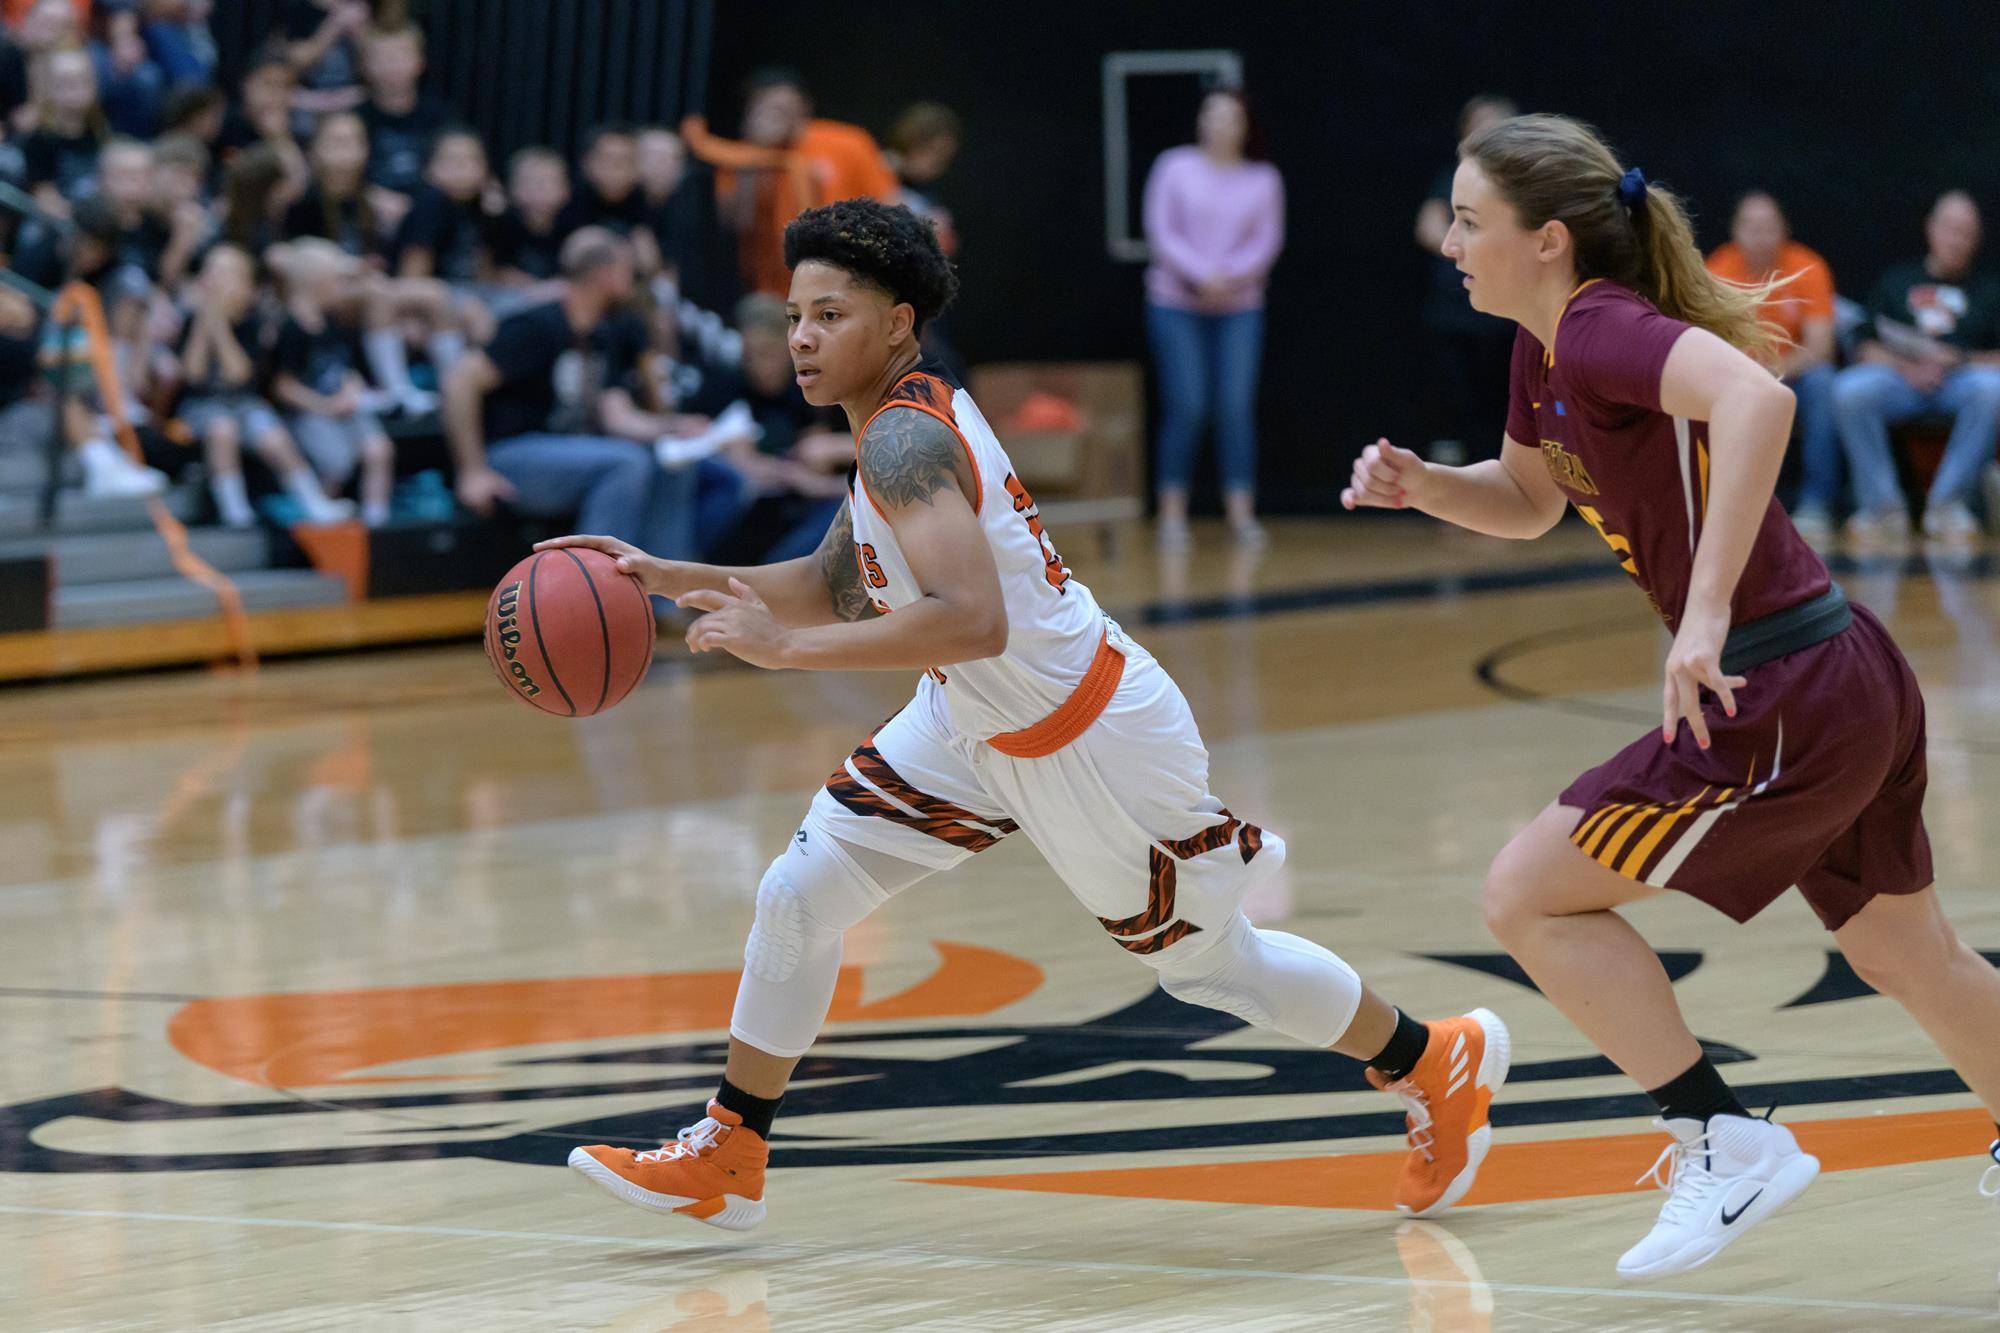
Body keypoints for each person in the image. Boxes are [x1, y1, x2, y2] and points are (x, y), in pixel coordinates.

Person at [554, 197, 1507, 1233]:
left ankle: (1432, 1058)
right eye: (793, 315)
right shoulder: (891, 427)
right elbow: (838, 578)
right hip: (972, 722)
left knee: (1204, 965)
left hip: (1086, 735)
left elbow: (969, 617)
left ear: (897, 323)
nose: (800, 337)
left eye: (829, 314)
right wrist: (665, 576)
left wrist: (788, 653)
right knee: (799, 891)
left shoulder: (904, 438)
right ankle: (730, 1150)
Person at [1346, 112, 2000, 1279]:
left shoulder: (1599, 326)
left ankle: (1721, 1136)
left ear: (1545, 240)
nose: (1447, 239)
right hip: (1840, 672)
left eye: (1466, 219)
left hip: (1777, 682)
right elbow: (1526, 496)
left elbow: (1759, 400)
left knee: (1527, 898)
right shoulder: (1542, 345)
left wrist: (1700, 617)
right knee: (1908, 953)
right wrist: (1424, 487)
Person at [441, 227, 699, 563]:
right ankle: (594, 589)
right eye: (626, 269)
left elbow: (617, 417)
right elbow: (459, 381)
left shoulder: (604, 333)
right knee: (626, 463)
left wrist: (676, 427)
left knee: (674, 461)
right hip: (511, 453)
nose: (633, 278)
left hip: (572, 453)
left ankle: (664, 599)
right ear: (605, 274)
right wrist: (472, 470)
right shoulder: (538, 325)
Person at [1142, 87, 1284, 551]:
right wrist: (1201, 274)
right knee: (1187, 405)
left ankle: (1241, 515)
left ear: (1244, 126)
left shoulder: (1262, 178)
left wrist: (1228, 278)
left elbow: (1266, 241)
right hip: (1175, 303)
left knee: (1234, 409)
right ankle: (1172, 515)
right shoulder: (1173, 166)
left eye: (1230, 117)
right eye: (1211, 114)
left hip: (1240, 309)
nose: (1219, 124)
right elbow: (1161, 229)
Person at [1833, 191, 2000, 544]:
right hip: (1900, 380)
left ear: (1977, 238)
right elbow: (1864, 343)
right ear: (1931, 229)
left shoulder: (1990, 291)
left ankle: (1948, 505)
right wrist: (1905, 366)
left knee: (1991, 389)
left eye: (1965, 232)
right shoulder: (1897, 282)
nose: (1956, 239)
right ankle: (1882, 508)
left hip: (1961, 382)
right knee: (1850, 390)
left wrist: (1962, 360)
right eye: (1950, 228)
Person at [682, 68, 899, 297]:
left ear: (804, 106)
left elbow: (890, 206)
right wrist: (757, 150)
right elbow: (736, 221)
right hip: (773, 291)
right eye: (765, 108)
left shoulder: (847, 142)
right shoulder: (742, 157)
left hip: (845, 281)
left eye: (783, 107)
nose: (775, 115)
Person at [178, 243, 349, 527]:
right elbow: (192, 375)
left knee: (273, 437)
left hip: (244, 402)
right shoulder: (192, 319)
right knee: (223, 429)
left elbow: (239, 374)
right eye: (211, 272)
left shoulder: (255, 322)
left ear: (247, 286)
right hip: (201, 406)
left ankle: (314, 502)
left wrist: (217, 323)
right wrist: (204, 322)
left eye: (225, 274)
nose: (216, 280)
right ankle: (235, 511)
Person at [1705, 192, 1840, 543]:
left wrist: (1773, 371)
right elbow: (1704, 343)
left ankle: (1817, 504)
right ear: (1736, 231)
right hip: (1734, 379)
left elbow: (1821, 349)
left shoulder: (1808, 266)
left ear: (1784, 230)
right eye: (1751, 226)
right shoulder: (1717, 269)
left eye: (1768, 227)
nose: (1760, 235)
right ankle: (1724, 504)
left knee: (1825, 382)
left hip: (1792, 376)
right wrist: (1746, 376)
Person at [1415, 95, 1518, 468]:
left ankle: (1509, 489)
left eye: (1493, 124)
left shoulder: (1522, 184)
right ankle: (1457, 493)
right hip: (1453, 313)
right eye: (1476, 125)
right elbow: (1428, 227)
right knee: (1457, 406)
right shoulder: (1452, 179)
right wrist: (1468, 247)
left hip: (1507, 315)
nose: (1483, 133)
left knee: (1507, 405)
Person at [269, 238, 391, 524]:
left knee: (379, 450)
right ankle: (320, 523)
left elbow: (347, 366)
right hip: (311, 410)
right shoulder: (290, 328)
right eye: (338, 281)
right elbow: (282, 386)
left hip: (341, 405)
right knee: (336, 464)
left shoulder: (333, 320)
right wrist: (326, 406)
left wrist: (352, 389)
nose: (344, 288)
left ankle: (376, 523)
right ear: (317, 282)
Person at [356, 20, 452, 230]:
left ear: (420, 62)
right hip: (371, 215)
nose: (392, 65)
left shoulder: (440, 115)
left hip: (431, 215)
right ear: (364, 65)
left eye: (400, 56)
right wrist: (372, 197)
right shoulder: (355, 118)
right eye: (383, 58)